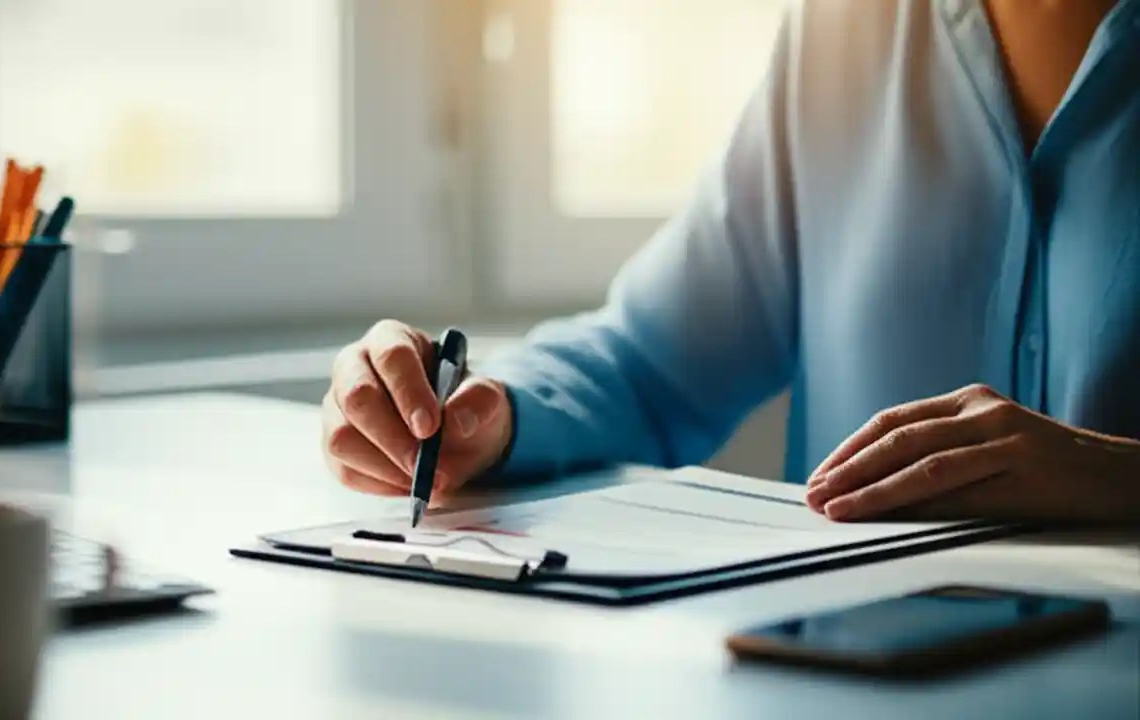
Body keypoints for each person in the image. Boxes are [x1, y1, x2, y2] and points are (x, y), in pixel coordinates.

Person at [321, 0, 1140, 523]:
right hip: (849, 682)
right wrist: (480, 416)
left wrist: (1117, 478)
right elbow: (649, 364)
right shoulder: (842, 31)